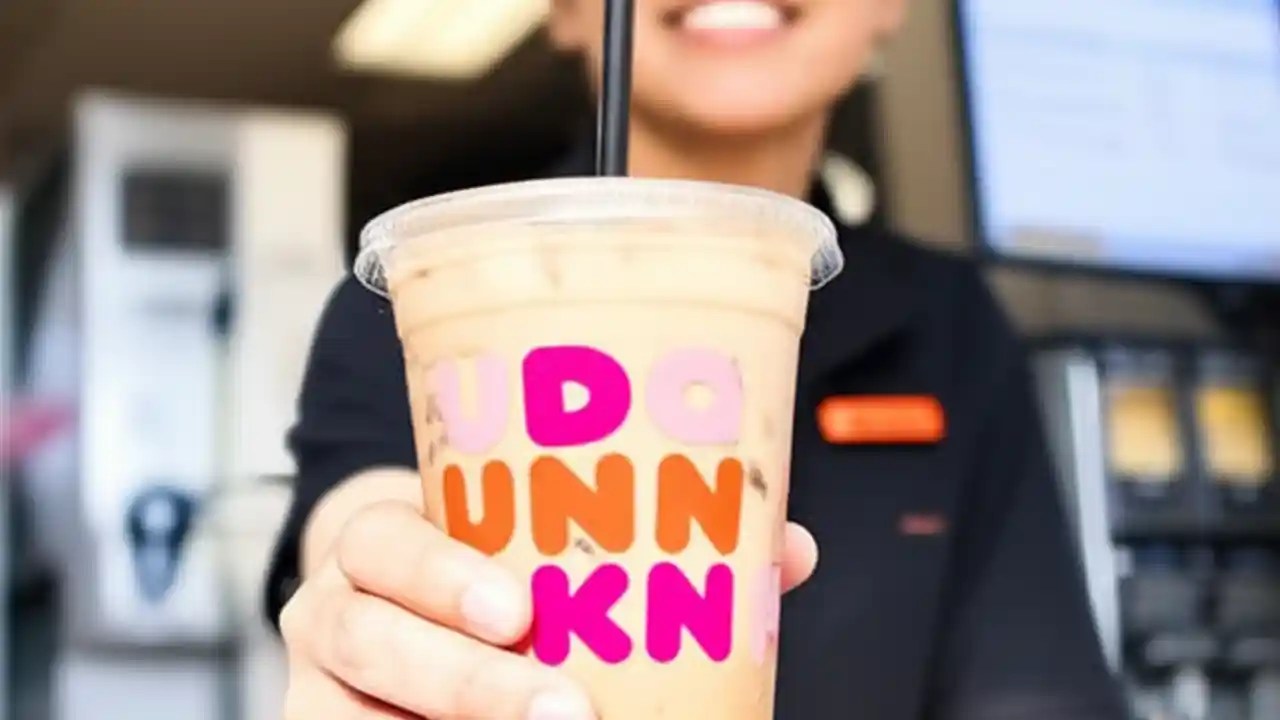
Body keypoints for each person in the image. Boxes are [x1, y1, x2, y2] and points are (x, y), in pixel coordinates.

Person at [266, 1, 1126, 718]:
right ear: (563, 11)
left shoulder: (950, 326)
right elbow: (363, 527)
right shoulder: (429, 285)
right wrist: (377, 621)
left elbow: (1036, 689)